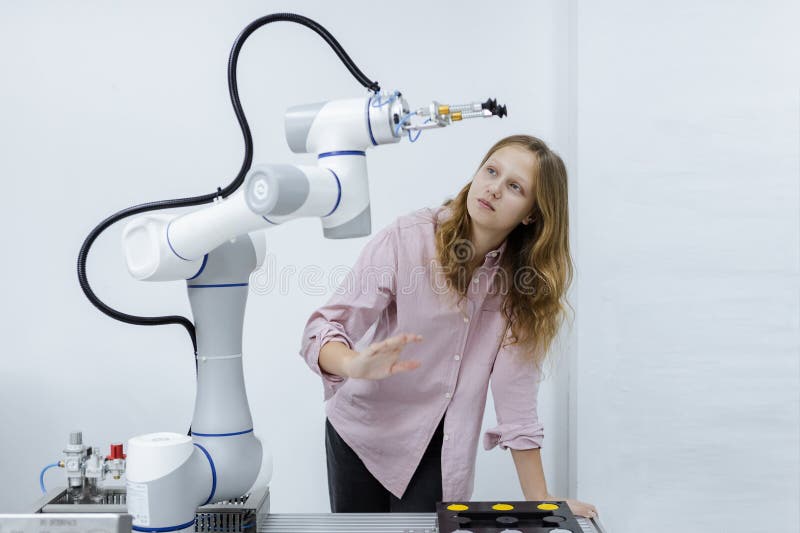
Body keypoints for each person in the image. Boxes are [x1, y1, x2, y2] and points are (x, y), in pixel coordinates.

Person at [299, 134, 599, 519]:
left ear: (531, 214)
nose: (493, 188)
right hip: (361, 433)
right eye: (491, 171)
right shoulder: (409, 240)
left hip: (438, 451)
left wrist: (543, 502)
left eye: (514, 186)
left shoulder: (523, 290)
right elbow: (326, 325)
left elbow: (516, 403)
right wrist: (353, 365)